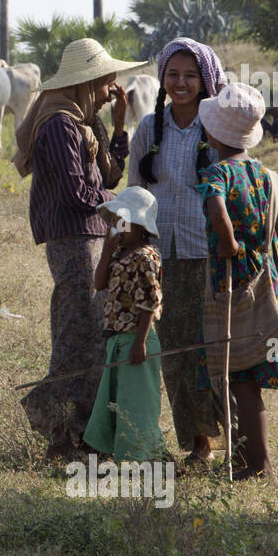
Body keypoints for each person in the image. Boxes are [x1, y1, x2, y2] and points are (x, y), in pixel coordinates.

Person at [13, 38, 148, 460]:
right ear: (89, 82)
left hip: (89, 237)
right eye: (109, 82)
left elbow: (110, 172)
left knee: (89, 334)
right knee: (76, 335)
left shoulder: (84, 126)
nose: (113, 91)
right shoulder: (58, 127)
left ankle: (75, 433)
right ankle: (55, 425)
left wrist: (121, 124)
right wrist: (117, 207)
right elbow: (76, 193)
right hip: (74, 241)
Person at [127, 37, 228, 469]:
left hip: (204, 254)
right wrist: (128, 247)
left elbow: (236, 186)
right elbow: (134, 191)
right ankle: (194, 441)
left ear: (205, 81)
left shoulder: (217, 127)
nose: (181, 83)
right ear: (162, 80)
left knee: (204, 351)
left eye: (190, 75)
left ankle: (215, 440)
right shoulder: (150, 129)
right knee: (170, 352)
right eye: (173, 75)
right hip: (158, 255)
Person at [196, 82, 278, 480]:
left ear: (212, 132)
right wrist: (271, 277)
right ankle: (247, 459)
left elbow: (217, 209)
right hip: (263, 282)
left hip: (230, 284)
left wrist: (229, 244)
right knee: (249, 374)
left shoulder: (217, 173)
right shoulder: (270, 178)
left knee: (237, 375)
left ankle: (258, 463)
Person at [83, 186, 167, 462]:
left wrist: (140, 342)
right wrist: (107, 250)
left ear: (141, 225)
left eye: (124, 221)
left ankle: (146, 458)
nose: (118, 227)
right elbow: (99, 283)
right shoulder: (121, 253)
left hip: (137, 339)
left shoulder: (145, 256)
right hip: (118, 339)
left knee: (137, 404)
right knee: (116, 399)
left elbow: (150, 303)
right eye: (116, 221)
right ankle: (121, 454)